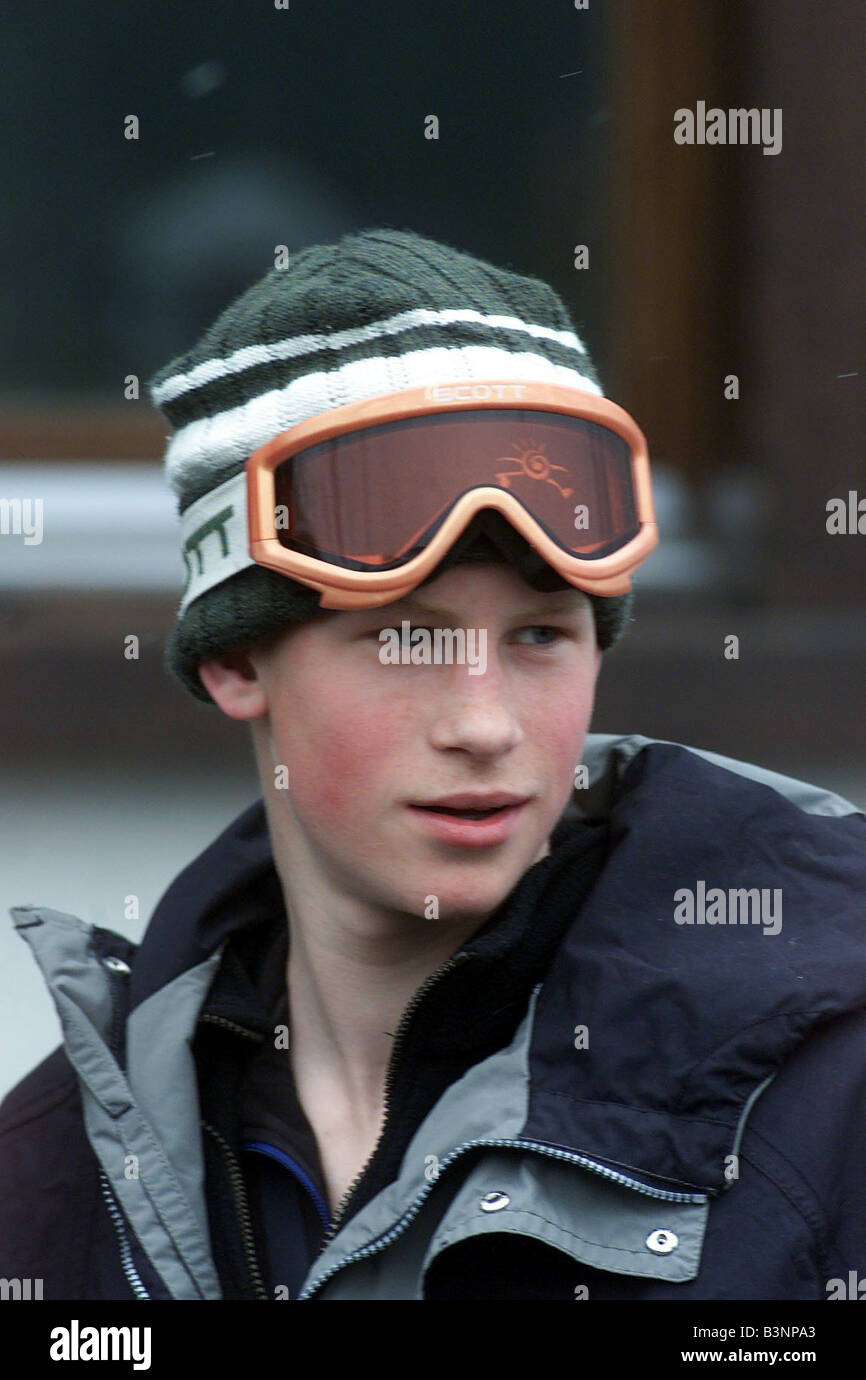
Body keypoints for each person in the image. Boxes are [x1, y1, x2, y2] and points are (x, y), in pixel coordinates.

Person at [2, 227, 865, 1302]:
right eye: (404, 638)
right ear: (233, 658)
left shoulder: (826, 1109)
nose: (484, 722)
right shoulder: (53, 1184)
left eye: (539, 636)